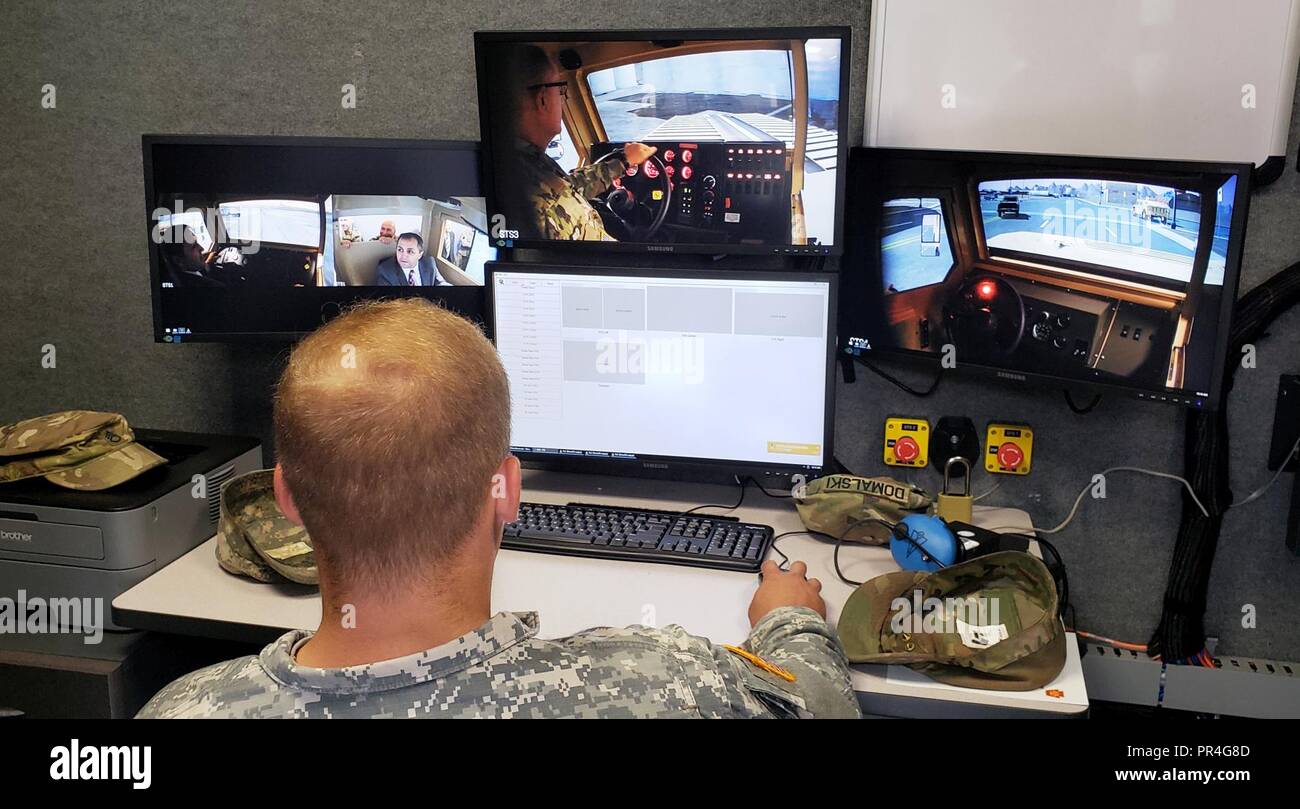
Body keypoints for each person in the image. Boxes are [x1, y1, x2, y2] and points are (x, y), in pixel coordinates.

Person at [137, 299, 860, 719]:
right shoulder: (658, 683)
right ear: (506, 489)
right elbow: (821, 701)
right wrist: (788, 617)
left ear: (287, 496)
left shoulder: (183, 710)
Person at [497, 45, 657, 241]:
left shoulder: (524, 161)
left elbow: (567, 186)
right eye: (560, 90)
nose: (562, 100)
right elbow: (611, 262)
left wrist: (622, 161)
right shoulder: (551, 206)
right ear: (542, 100)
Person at [374, 232, 445, 286]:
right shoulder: (385, 270)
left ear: (420, 255)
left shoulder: (429, 262)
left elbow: (441, 282)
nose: (403, 256)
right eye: (400, 250)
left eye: (410, 251)